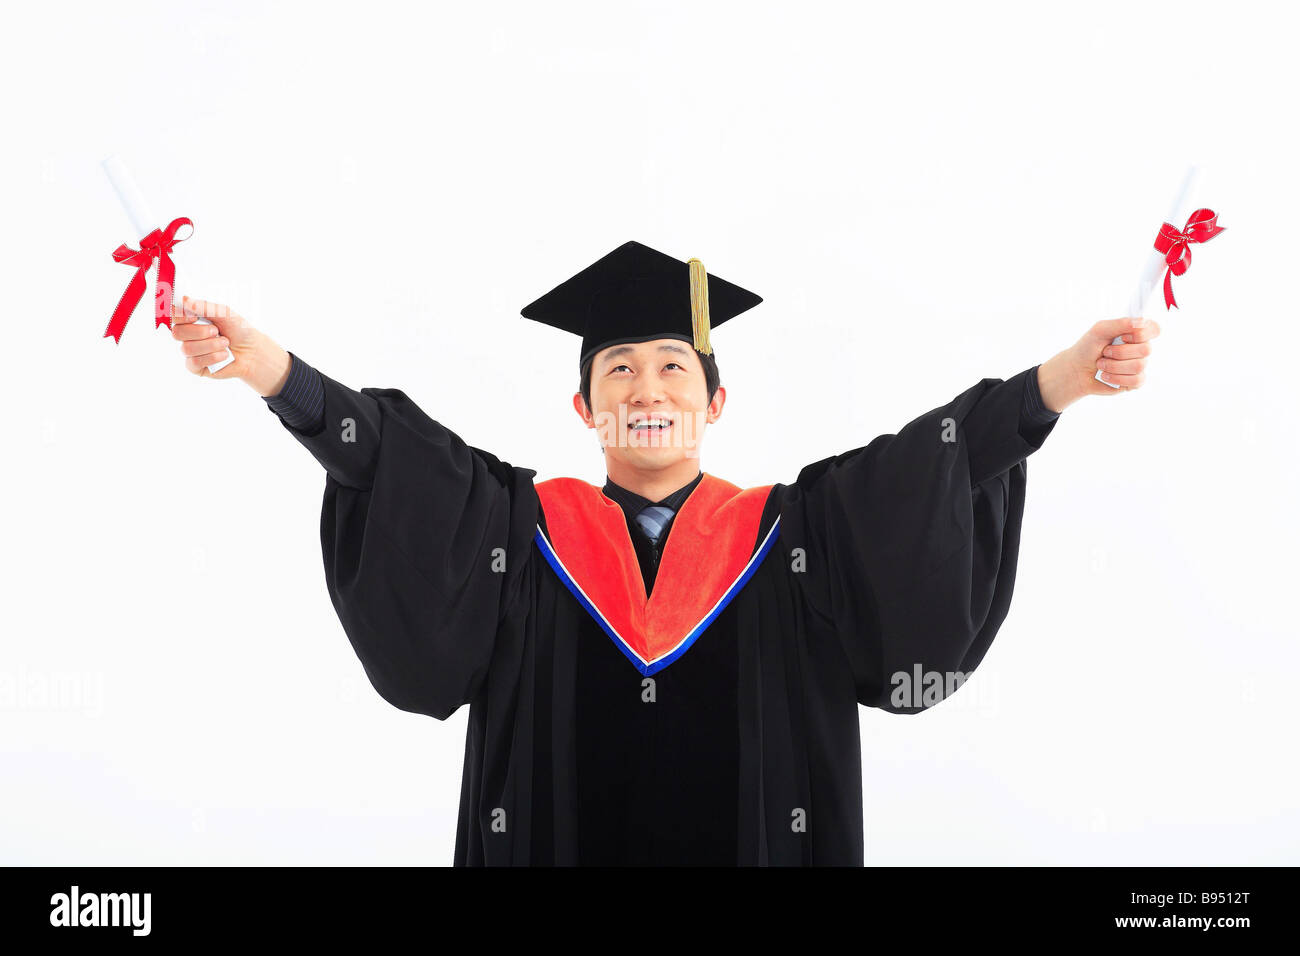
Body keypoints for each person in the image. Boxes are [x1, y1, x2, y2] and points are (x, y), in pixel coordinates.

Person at [170, 240, 1159, 865]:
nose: (647, 387)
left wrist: (1059, 381)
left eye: (673, 367)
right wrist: (271, 371)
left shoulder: (794, 535)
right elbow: (390, 458)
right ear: (585, 405)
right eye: (619, 369)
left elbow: (934, 463)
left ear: (713, 401)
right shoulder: (520, 530)